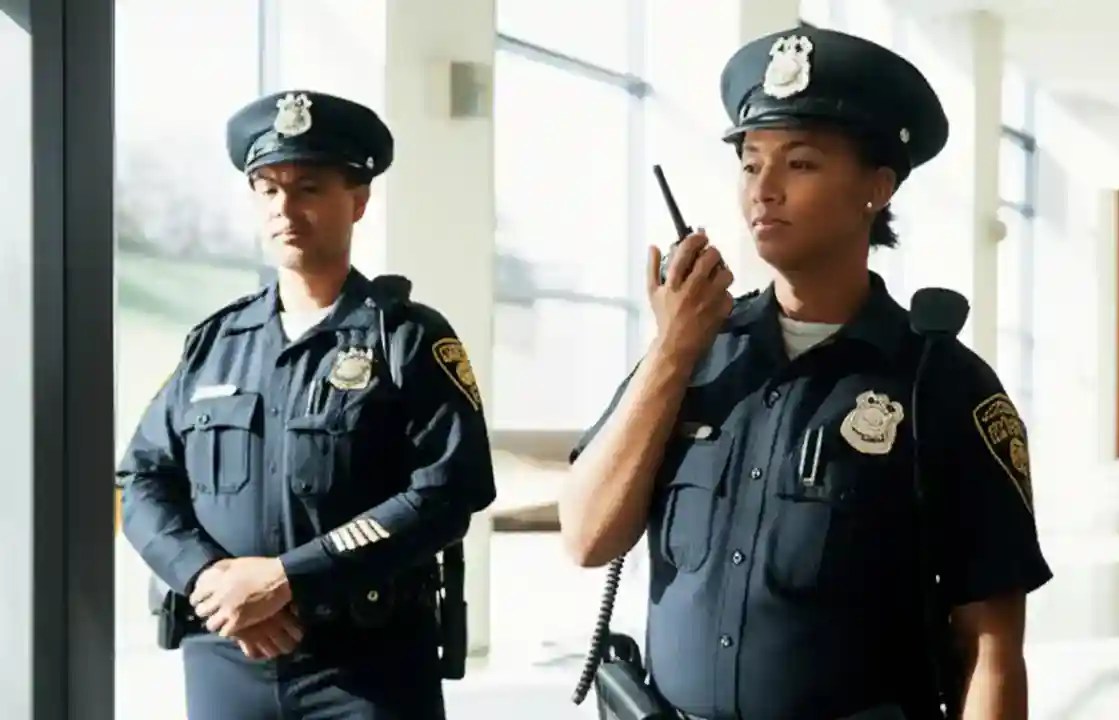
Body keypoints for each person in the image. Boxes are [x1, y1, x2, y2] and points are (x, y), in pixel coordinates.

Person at [560, 27, 1052, 720]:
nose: (764, 189)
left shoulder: (940, 384)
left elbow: (991, 649)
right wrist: (672, 352)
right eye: (751, 163)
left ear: (875, 189)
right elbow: (586, 537)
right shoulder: (692, 351)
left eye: (800, 164)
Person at [117, 89, 496, 720]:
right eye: (268, 189)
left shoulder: (406, 339)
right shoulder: (215, 345)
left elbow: (448, 492)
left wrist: (287, 579)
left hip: (366, 670)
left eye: (309, 188)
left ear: (359, 200)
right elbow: (144, 478)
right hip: (227, 654)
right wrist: (210, 580)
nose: (285, 209)